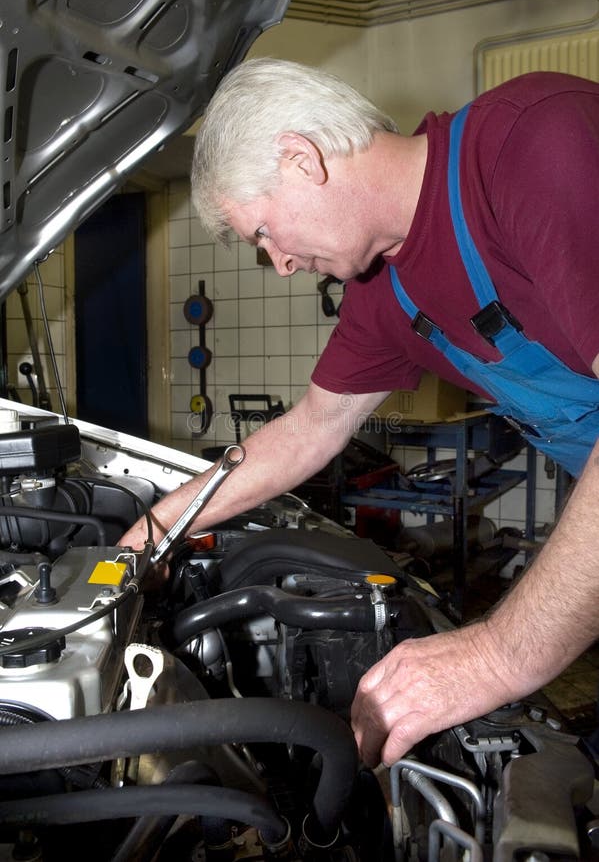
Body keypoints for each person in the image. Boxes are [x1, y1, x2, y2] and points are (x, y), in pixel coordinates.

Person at [121, 58, 599, 768]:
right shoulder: (384, 294)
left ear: (299, 158)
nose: (279, 263)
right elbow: (310, 429)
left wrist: (495, 655)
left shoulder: (532, 143)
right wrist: (154, 527)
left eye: (262, 234)